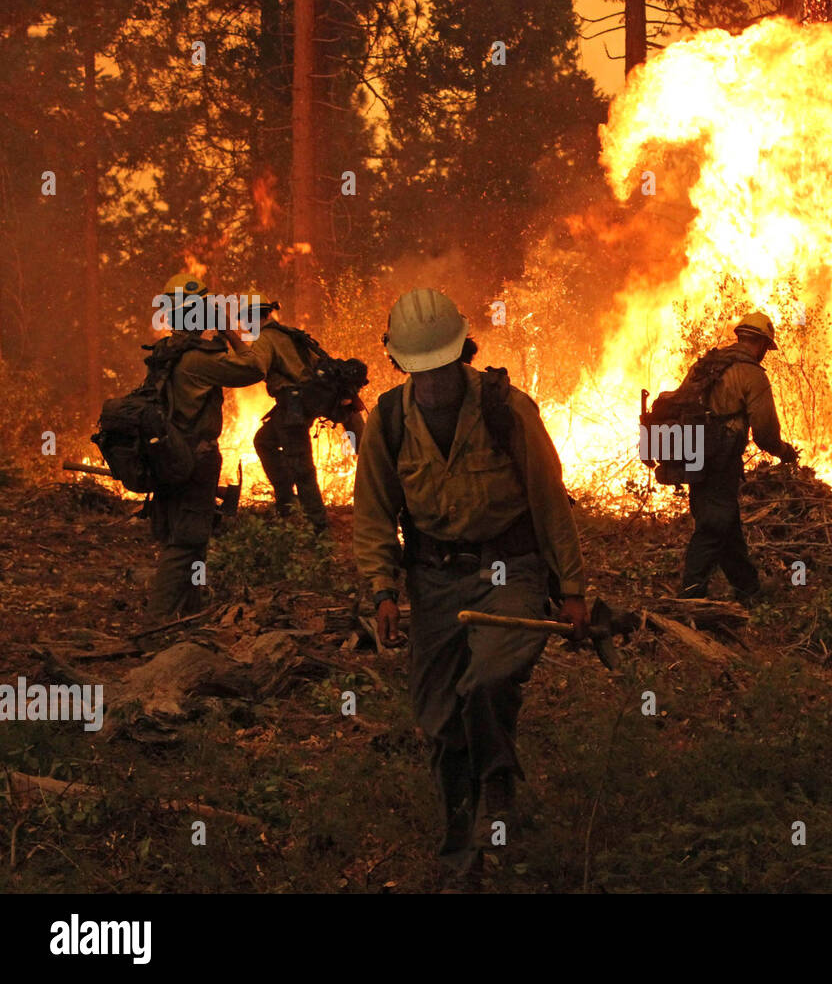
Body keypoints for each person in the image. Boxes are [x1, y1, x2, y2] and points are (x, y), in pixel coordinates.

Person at [353, 288, 587, 877]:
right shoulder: (386, 420)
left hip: (510, 568)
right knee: (437, 717)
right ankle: (463, 849)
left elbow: (549, 499)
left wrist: (574, 589)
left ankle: (497, 786)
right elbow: (374, 513)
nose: (432, 381)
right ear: (399, 363)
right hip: (432, 578)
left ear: (463, 353)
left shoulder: (506, 409)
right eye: (419, 369)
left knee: (490, 677)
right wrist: (384, 589)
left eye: (442, 366)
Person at [146, 274, 264, 621]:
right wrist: (229, 332)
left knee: (191, 536)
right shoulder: (198, 359)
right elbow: (255, 368)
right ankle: (155, 624)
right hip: (194, 458)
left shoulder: (165, 353)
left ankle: (190, 611)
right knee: (185, 542)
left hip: (171, 455)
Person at [679, 311, 798, 603]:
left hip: (691, 452)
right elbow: (765, 433)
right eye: (766, 350)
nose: (765, 355)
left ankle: (748, 589)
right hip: (720, 458)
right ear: (760, 344)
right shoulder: (751, 374)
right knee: (713, 525)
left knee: (725, 523)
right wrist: (784, 452)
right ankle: (690, 595)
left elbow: (681, 404)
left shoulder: (705, 365)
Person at [248, 291, 363, 533]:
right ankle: (287, 500)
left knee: (302, 466)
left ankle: (317, 525)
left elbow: (254, 368)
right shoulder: (290, 333)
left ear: (251, 318)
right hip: (307, 400)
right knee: (264, 441)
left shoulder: (264, 340)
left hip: (294, 407)